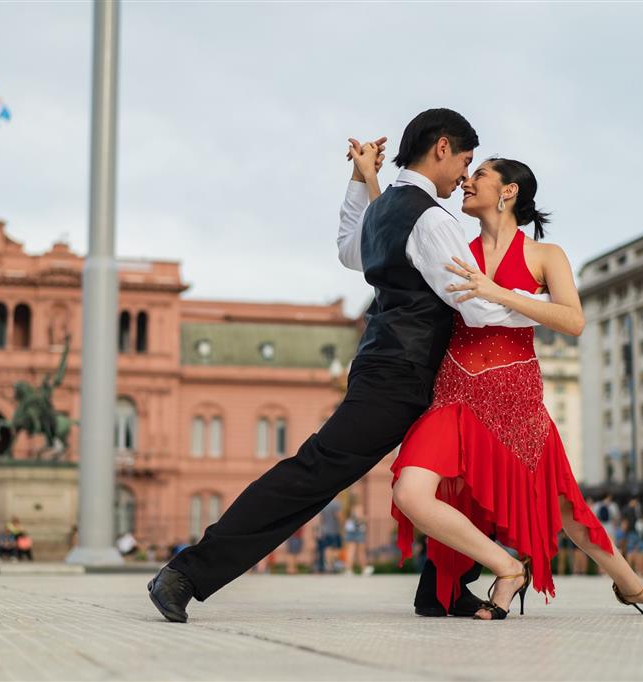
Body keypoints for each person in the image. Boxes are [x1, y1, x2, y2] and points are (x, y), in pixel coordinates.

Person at [149, 109, 518, 623]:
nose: (464, 174)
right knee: (315, 472)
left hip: (391, 367)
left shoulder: (386, 208)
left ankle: (445, 590)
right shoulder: (433, 219)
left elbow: (349, 252)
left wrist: (356, 181)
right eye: (465, 160)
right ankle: (186, 573)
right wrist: (547, 307)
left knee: (465, 473)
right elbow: (476, 306)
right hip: (402, 375)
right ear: (441, 147)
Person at [352, 149, 643, 618]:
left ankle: (633, 588)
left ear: (509, 192)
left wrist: (499, 293)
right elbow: (396, 233)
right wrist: (371, 180)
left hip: (516, 400)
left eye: (481, 175)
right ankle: (507, 568)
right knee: (411, 491)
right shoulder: (453, 247)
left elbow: (573, 320)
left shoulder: (545, 256)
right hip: (454, 395)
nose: (467, 182)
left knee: (568, 512)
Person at [316, 498, 343, 573]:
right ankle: (332, 565)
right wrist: (341, 527)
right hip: (334, 529)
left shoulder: (324, 503)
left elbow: (321, 518)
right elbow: (338, 516)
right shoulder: (336, 503)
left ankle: (328, 565)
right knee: (336, 548)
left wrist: (319, 529)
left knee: (327, 548)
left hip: (325, 529)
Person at [343, 503, 371, 575]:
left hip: (350, 530)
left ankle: (348, 569)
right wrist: (365, 518)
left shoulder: (349, 507)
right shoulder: (357, 506)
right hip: (357, 531)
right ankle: (364, 568)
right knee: (361, 551)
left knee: (351, 551)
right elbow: (358, 517)